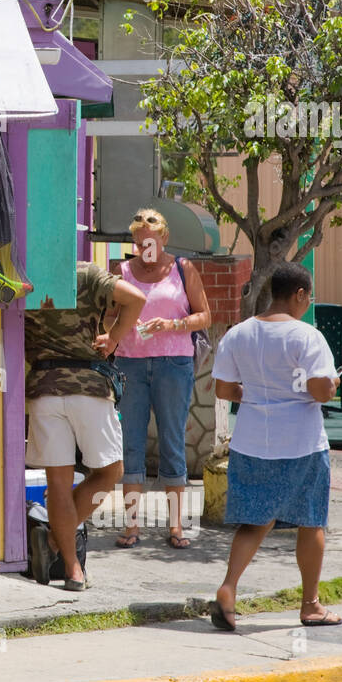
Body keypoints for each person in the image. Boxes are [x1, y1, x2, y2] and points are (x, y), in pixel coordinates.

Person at [209, 262, 342, 632]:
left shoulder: (238, 334)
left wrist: (254, 393)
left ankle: (229, 587)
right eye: (308, 297)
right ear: (299, 294)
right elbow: (320, 391)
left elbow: (223, 390)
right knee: (310, 521)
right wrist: (331, 385)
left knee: (254, 521)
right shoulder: (307, 336)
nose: (308, 303)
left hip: (252, 441)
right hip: (301, 443)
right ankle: (311, 605)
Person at [24, 261, 146, 590]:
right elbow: (135, 298)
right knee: (110, 472)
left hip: (43, 387)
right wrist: (114, 338)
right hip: (89, 387)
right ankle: (53, 543)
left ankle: (71, 566)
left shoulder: (22, 273)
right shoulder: (84, 272)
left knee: (59, 484)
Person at [112, 207, 211, 550]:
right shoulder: (121, 270)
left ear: (164, 238)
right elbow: (109, 315)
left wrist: (172, 325)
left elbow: (205, 316)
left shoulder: (183, 269)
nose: (145, 249)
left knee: (172, 441)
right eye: (139, 243)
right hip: (130, 364)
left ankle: (176, 526)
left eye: (150, 242)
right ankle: (130, 525)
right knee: (131, 444)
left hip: (174, 363)